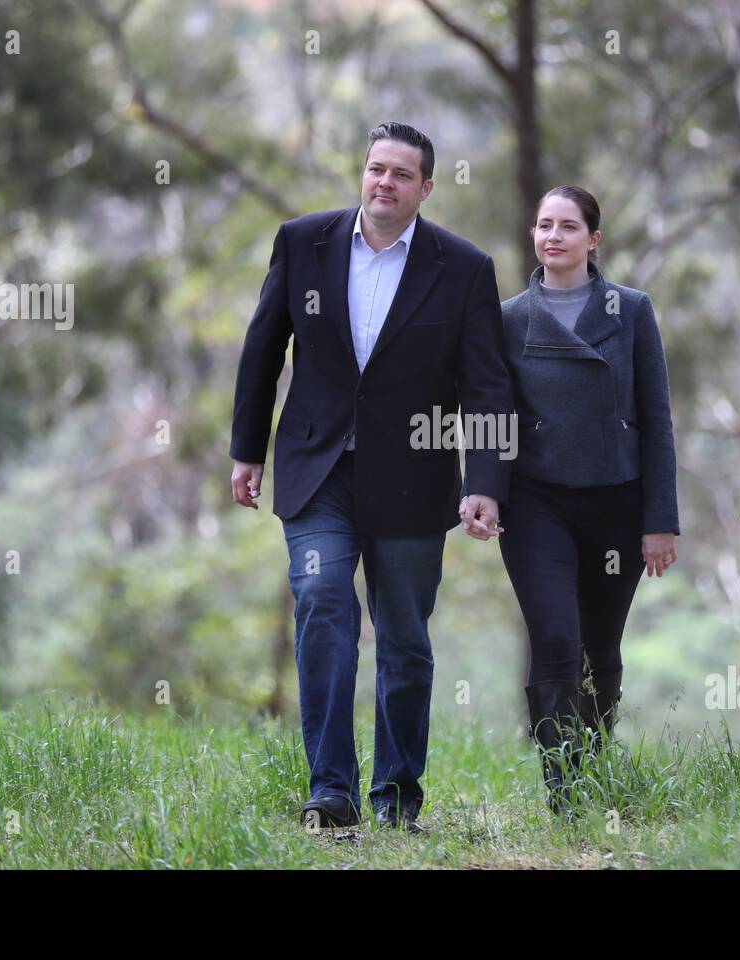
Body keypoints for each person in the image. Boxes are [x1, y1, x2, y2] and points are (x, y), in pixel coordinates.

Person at [230, 121, 513, 834]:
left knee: (405, 638)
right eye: (375, 169)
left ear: (425, 187)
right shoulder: (304, 243)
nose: (383, 183)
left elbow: (486, 386)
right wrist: (247, 451)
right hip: (316, 468)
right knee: (323, 602)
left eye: (400, 174)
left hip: (414, 481)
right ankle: (331, 791)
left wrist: (484, 481)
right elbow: (263, 348)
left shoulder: (464, 268)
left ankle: (396, 798)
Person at [490, 185, 679, 816]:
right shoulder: (510, 318)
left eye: (568, 227)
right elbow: (492, 414)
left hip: (616, 503)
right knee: (555, 640)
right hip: (536, 503)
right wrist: (483, 489)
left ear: (593, 240)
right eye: (544, 225)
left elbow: (656, 419)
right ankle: (563, 789)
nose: (553, 237)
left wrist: (660, 522)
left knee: (600, 649)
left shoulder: (632, 311)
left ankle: (592, 764)